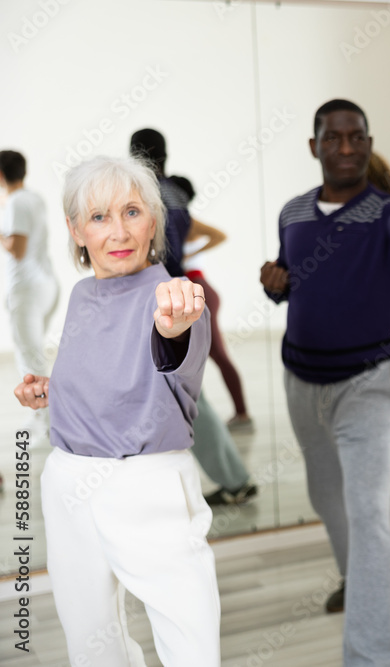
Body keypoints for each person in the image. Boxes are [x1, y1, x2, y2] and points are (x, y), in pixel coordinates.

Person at [14, 155, 220, 666]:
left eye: (132, 211)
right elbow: (109, 374)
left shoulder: (173, 297)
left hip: (146, 486)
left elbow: (171, 337)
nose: (118, 230)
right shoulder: (85, 294)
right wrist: (54, 391)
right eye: (99, 216)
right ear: (75, 229)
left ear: (153, 220)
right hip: (68, 483)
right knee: (90, 640)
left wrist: (175, 319)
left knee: (188, 639)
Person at [259, 98, 390, 665]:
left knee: (367, 512)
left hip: (368, 382)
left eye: (356, 136)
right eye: (333, 138)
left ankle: (373, 654)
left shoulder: (388, 213)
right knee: (326, 496)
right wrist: (276, 285)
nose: (346, 147)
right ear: (315, 147)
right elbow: (294, 281)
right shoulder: (291, 213)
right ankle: (358, 577)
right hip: (301, 379)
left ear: (367, 143)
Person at [129, 130, 257, 506]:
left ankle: (231, 480)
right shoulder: (177, 194)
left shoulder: (143, 195)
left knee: (178, 393)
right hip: (177, 291)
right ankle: (232, 479)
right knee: (179, 392)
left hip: (158, 297)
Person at [169, 174, 254, 432]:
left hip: (199, 288)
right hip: (196, 289)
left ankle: (242, 415)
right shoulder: (176, 222)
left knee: (217, 354)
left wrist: (189, 253)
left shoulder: (185, 222)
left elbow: (219, 235)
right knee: (205, 355)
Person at [0, 150, 60, 440]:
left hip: (26, 289)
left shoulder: (16, 203)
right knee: (33, 353)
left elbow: (17, 249)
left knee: (30, 357)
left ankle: (47, 424)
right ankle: (42, 417)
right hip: (45, 284)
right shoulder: (32, 198)